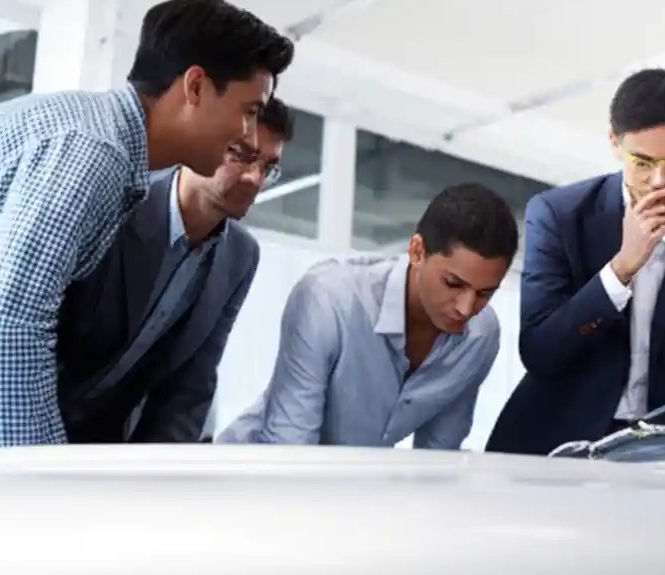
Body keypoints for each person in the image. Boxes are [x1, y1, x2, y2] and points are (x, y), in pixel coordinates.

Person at [0, 0, 293, 447]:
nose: (243, 135)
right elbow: (10, 326)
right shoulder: (94, 151)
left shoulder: (112, 153)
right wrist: (43, 489)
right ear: (196, 87)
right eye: (248, 112)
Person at [487, 69, 665, 455]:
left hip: (659, 452)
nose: (661, 181)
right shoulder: (558, 215)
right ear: (614, 141)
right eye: (642, 162)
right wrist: (621, 268)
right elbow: (540, 352)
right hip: (552, 445)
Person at [56, 98, 294, 444]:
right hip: (8, 418)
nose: (255, 177)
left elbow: (190, 386)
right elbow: (40, 338)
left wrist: (160, 481)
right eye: (242, 154)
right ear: (206, 138)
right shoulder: (122, 200)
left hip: (100, 445)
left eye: (269, 166)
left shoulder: (241, 256)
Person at [217, 183, 516, 448]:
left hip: (350, 492)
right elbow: (289, 448)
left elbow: (439, 458)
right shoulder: (331, 298)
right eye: (453, 284)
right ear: (416, 251)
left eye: (484, 293)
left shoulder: (480, 336)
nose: (465, 308)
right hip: (249, 479)